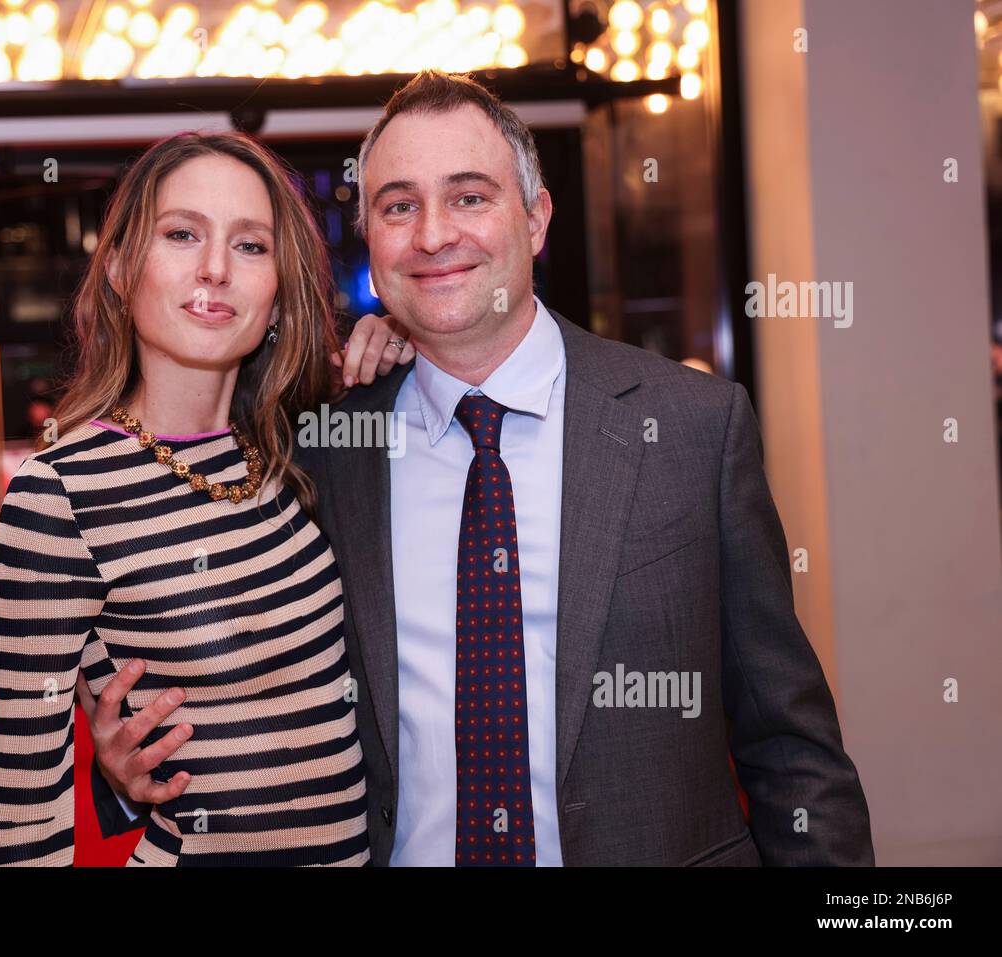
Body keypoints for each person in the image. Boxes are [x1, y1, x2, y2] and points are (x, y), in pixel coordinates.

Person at [92, 70, 875, 866]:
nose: (433, 235)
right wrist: (128, 772)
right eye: (399, 205)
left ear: (535, 218)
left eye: (469, 196)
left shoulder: (692, 428)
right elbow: (256, 712)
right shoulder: (319, 453)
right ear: (371, 234)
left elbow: (792, 747)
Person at [0, 131, 412, 866]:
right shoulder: (58, 493)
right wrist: (115, 778)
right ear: (120, 268)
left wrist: (406, 341)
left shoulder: (292, 450)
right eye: (182, 234)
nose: (216, 268)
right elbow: (26, 812)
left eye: (251, 246)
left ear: (278, 290)